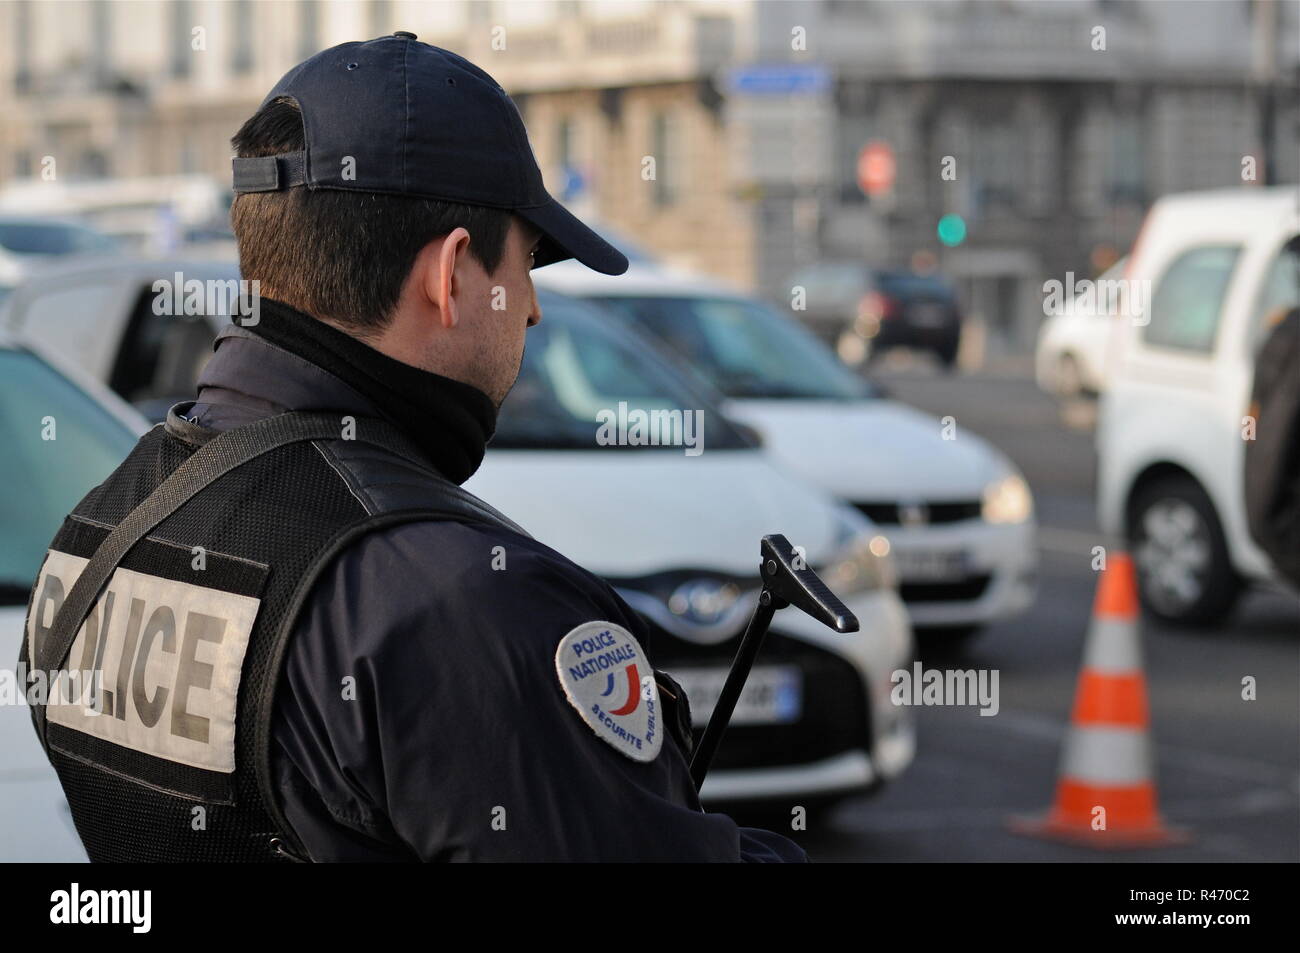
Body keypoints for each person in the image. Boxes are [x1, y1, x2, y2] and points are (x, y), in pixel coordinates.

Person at [22, 33, 805, 862]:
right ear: (452, 273)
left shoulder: (99, 527)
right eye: (528, 263)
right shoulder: (467, 608)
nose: (533, 308)